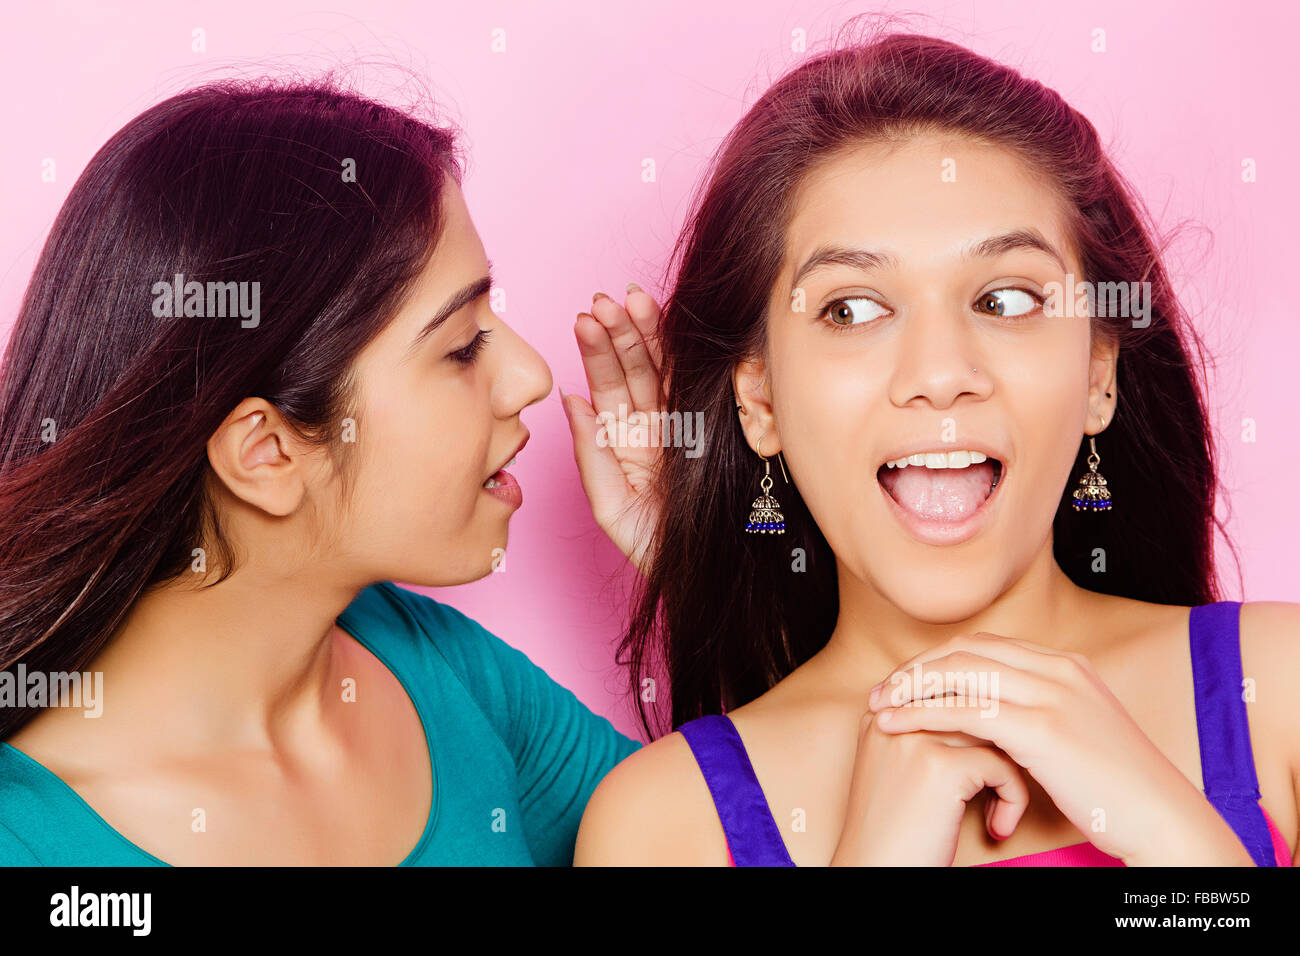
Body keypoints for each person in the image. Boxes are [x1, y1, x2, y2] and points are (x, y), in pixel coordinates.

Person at [568, 29, 1299, 866]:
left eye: (1006, 298)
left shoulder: (1279, 686)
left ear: (1099, 370)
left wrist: (1181, 845)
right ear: (759, 399)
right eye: (850, 310)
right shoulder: (665, 822)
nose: (940, 374)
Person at [0, 80, 641, 865]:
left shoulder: (442, 671)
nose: (532, 375)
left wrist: (707, 553)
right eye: (463, 346)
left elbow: (752, 836)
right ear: (266, 454)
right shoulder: (29, 839)